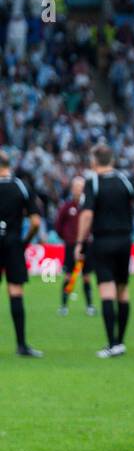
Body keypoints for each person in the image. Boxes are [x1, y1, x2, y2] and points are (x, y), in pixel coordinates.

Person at [74, 143, 134, 358]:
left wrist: (80, 242)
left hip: (103, 241)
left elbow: (86, 216)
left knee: (106, 290)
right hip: (125, 240)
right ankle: (121, 342)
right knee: (123, 290)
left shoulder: (92, 182)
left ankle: (112, 343)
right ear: (112, 160)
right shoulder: (126, 180)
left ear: (94, 161)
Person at [0, 150, 42, 357]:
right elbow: (35, 222)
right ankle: (21, 345)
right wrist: (24, 241)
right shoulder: (21, 186)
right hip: (13, 242)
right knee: (15, 291)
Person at [55, 176, 94, 316]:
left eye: (81, 187)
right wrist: (67, 238)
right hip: (71, 246)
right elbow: (58, 226)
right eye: (77, 187)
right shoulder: (67, 207)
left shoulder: (88, 206)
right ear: (72, 189)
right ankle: (64, 306)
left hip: (86, 245)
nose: (79, 190)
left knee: (86, 276)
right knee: (68, 276)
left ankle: (90, 306)